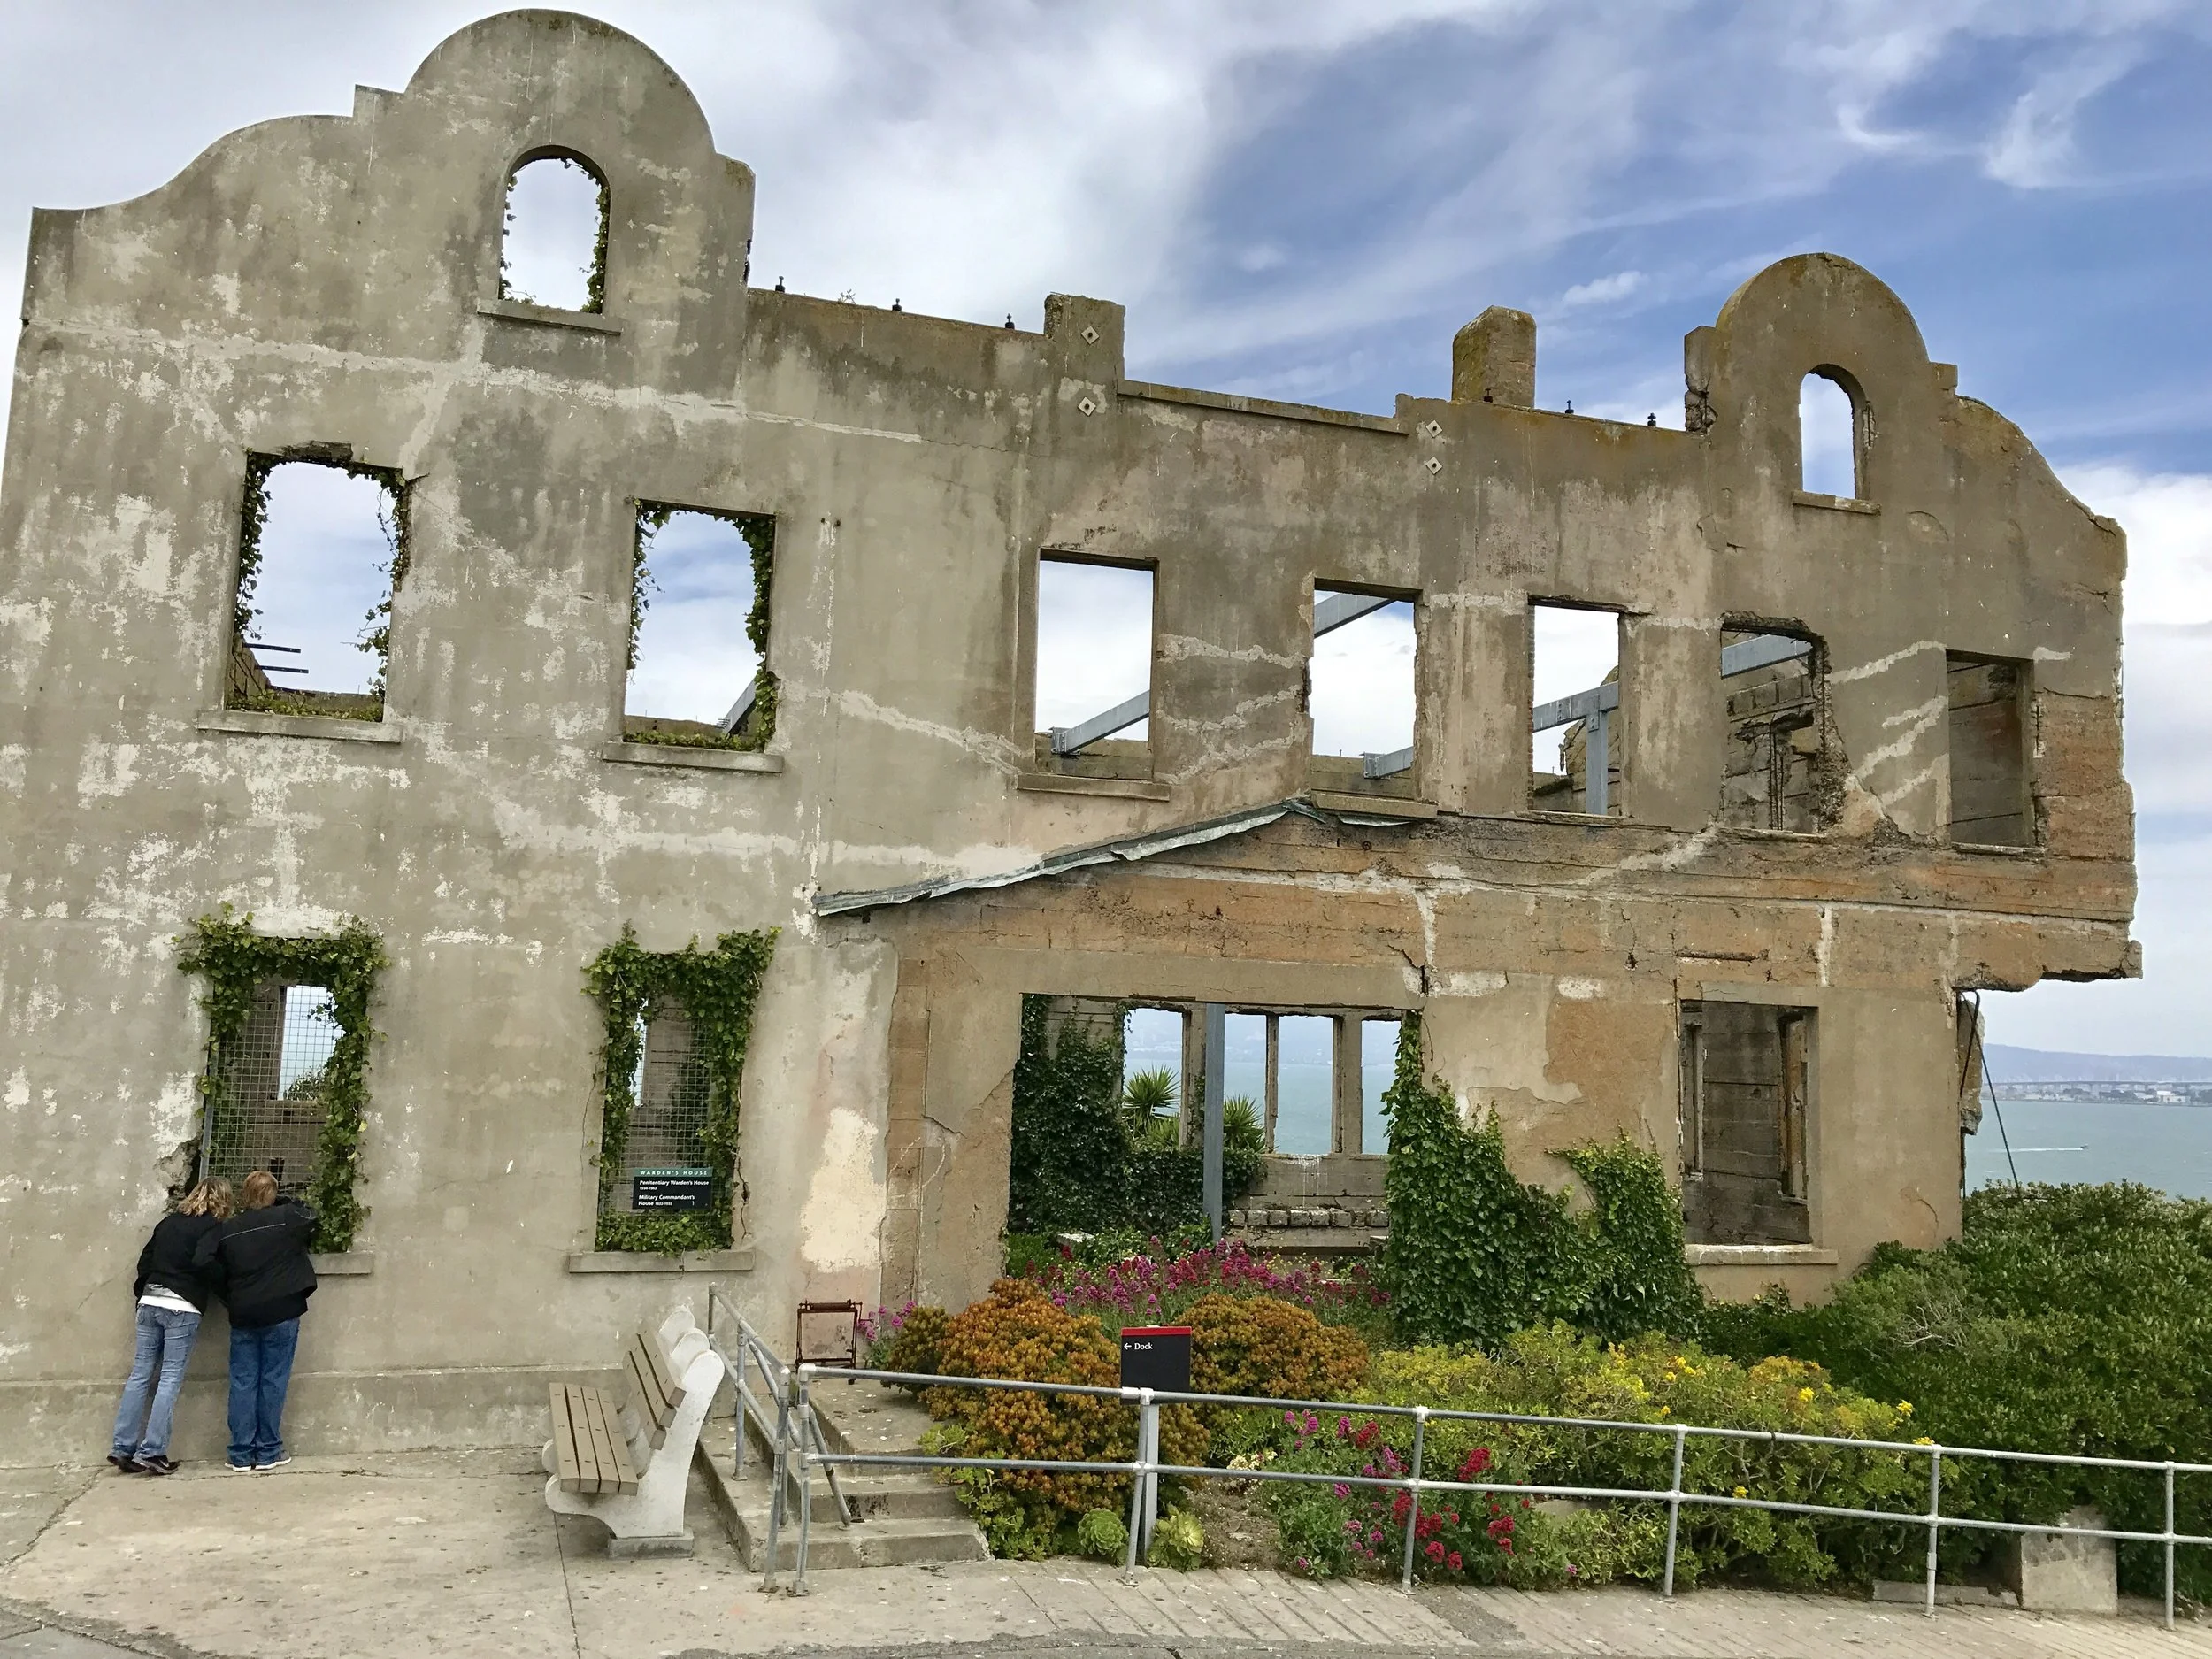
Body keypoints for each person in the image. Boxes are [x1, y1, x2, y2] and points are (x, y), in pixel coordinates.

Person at [108, 1177, 234, 1475]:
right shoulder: (212, 1227)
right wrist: (226, 1288)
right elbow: (204, 1261)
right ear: (222, 1201)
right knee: (169, 1378)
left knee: (140, 1374)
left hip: (150, 1301)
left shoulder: (168, 1224)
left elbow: (145, 1261)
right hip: (181, 1305)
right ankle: (152, 1451)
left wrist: (145, 1291)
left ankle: (122, 1446)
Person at [194, 1170, 317, 1472]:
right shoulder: (286, 1217)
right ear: (272, 1194)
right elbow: (312, 1215)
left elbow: (202, 1260)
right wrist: (285, 1198)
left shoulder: (229, 1229)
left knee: (243, 1381)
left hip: (244, 1310)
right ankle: (269, 1450)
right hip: (281, 1309)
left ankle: (240, 1452)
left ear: (244, 1195)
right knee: (273, 1380)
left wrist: (228, 1291)